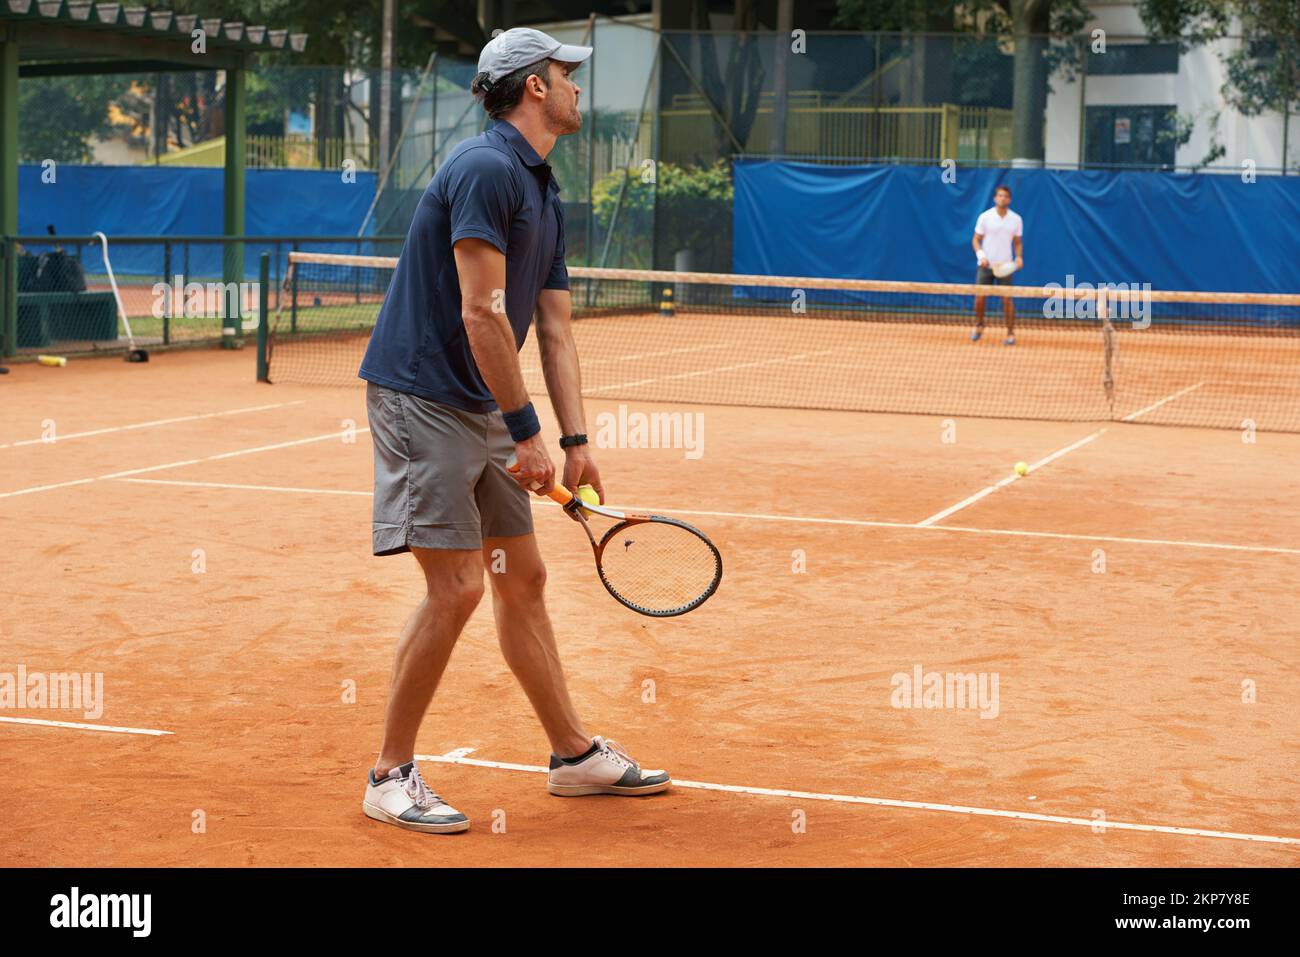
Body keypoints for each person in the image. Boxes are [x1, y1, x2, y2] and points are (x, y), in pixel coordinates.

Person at [356, 28, 671, 835]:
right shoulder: (485, 169)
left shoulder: (541, 186)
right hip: (424, 394)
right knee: (457, 585)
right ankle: (390, 773)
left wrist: (573, 439)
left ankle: (572, 755)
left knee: (520, 577)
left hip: (486, 401)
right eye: (565, 75)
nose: (575, 87)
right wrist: (524, 430)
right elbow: (479, 310)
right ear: (533, 87)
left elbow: (556, 327)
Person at [970, 185, 1024, 346]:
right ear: (995, 198)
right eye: (1000, 196)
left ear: (1010, 199)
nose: (1002, 198)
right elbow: (976, 239)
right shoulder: (985, 217)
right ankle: (979, 325)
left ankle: (1010, 333)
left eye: (1005, 196)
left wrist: (1019, 257)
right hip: (986, 265)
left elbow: (1018, 243)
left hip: (1005, 266)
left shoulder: (1016, 219)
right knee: (979, 298)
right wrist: (981, 256)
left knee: (1007, 300)